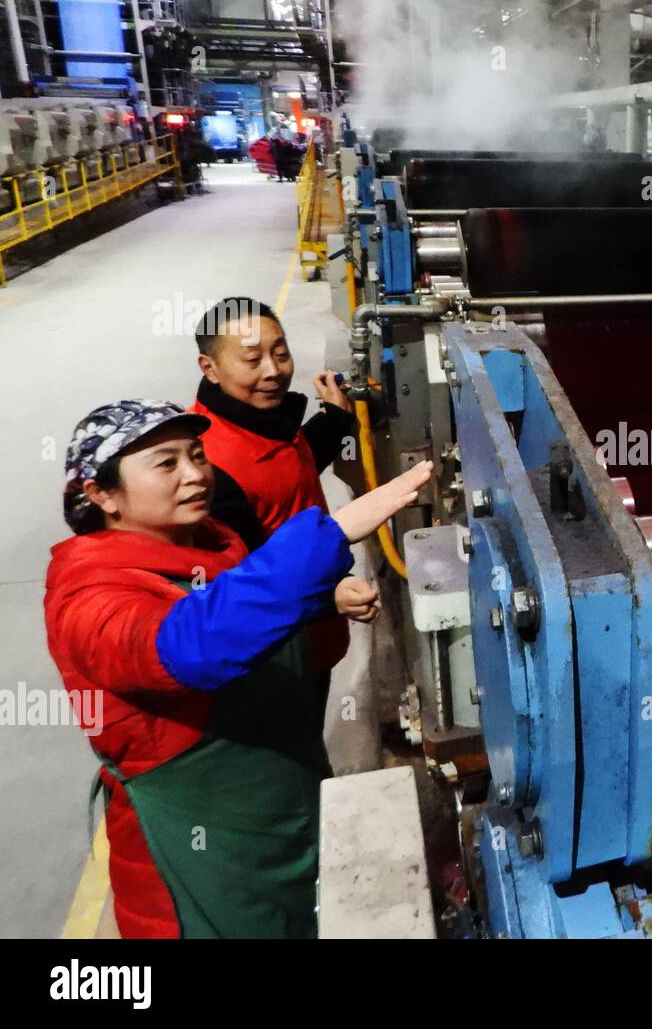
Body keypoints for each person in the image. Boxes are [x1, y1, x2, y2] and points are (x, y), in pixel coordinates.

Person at [45, 399, 433, 937]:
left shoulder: (208, 546)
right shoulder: (87, 600)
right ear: (102, 495)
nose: (194, 474)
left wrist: (320, 599)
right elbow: (193, 644)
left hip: (282, 825)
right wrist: (330, 536)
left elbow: (232, 607)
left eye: (197, 455)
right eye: (166, 463)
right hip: (205, 864)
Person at [191, 298, 372, 721]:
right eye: (252, 360)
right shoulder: (207, 468)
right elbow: (242, 580)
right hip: (274, 658)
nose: (273, 371)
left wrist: (334, 419)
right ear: (209, 367)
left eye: (280, 352)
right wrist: (328, 596)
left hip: (313, 643)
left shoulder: (261, 421)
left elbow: (288, 468)